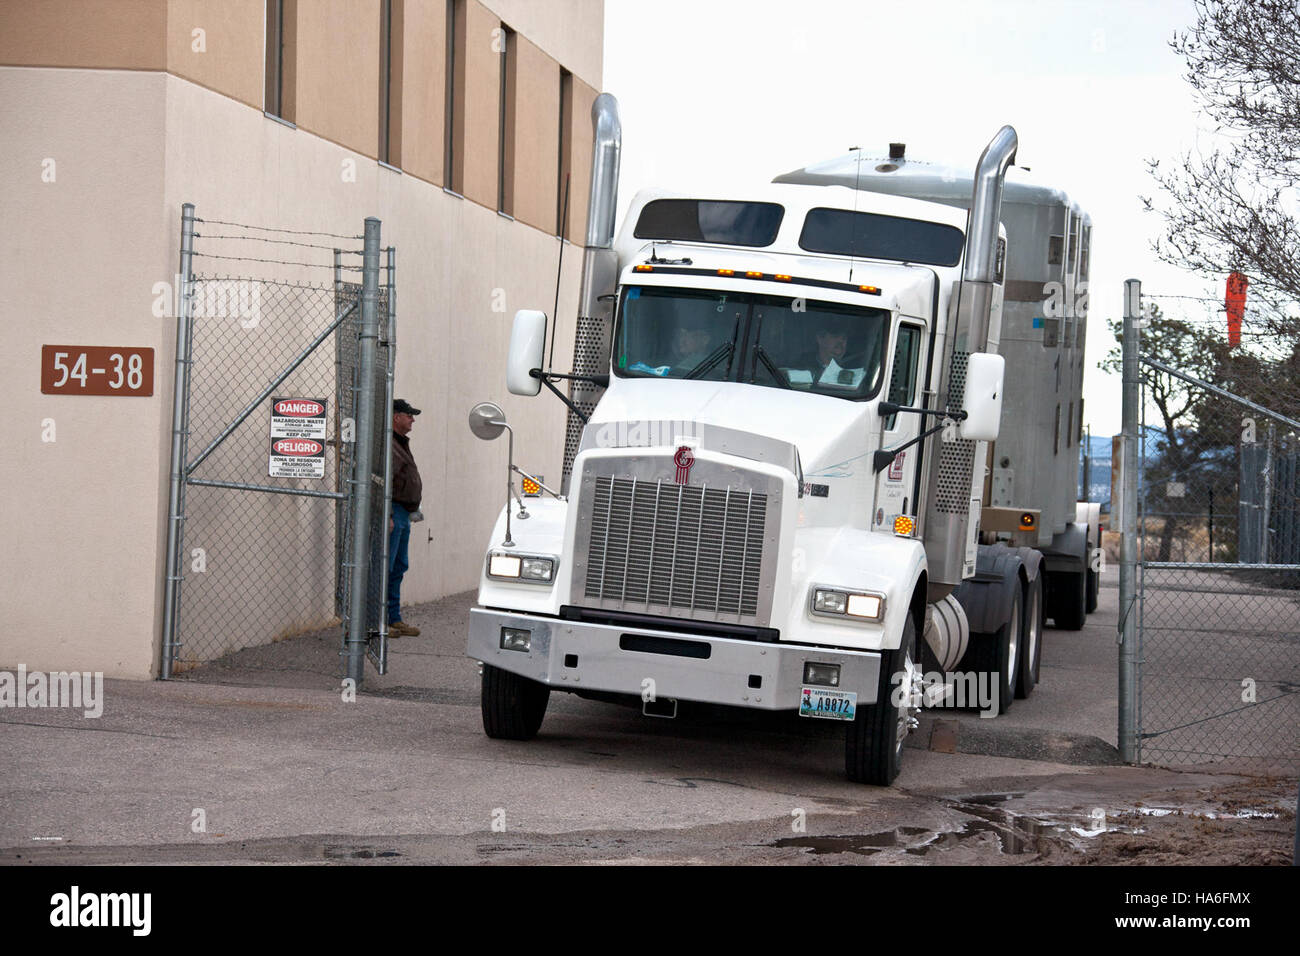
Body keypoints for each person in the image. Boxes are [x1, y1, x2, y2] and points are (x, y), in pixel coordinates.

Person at [388, 399, 422, 637]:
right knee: (385, 566)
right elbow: (384, 479)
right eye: (409, 414)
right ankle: (376, 621)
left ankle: (393, 618)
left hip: (403, 513)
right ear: (395, 416)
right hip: (394, 512)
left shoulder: (400, 443)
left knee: (399, 566)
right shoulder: (388, 443)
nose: (413, 419)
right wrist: (388, 513)